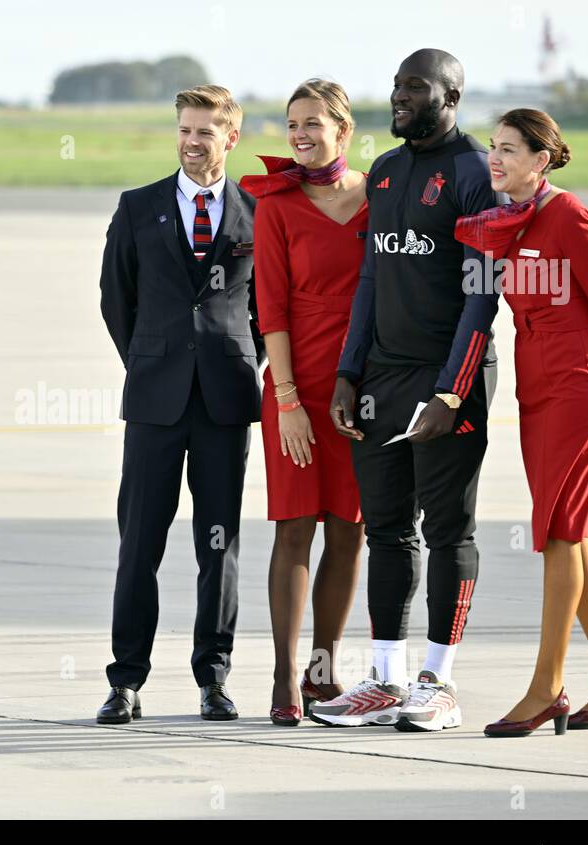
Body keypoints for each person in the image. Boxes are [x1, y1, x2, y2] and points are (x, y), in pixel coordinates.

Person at [312, 48, 506, 732]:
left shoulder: (477, 174)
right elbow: (370, 279)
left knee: (448, 528)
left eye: (413, 87)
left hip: (449, 380)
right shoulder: (388, 173)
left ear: (450, 95)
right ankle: (386, 680)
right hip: (380, 380)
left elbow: (482, 296)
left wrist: (452, 392)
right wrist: (347, 370)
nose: (398, 96)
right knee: (387, 529)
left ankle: (438, 682)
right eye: (395, 85)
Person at [454, 110, 588, 737]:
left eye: (509, 150)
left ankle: (547, 688)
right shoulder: (506, 217)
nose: (495, 159)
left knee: (558, 535)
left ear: (542, 159)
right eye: (492, 147)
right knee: (573, 535)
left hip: (580, 386)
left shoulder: (569, 216)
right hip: (537, 391)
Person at [97, 86, 262, 724]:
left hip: (224, 400)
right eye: (184, 131)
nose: (193, 143)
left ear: (231, 138)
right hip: (154, 399)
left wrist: (243, 362)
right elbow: (118, 300)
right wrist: (150, 358)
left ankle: (213, 680)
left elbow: (267, 308)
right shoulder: (137, 207)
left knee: (218, 547)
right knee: (139, 542)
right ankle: (125, 681)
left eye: (206, 133)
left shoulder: (256, 213)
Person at [239, 79, 366, 726]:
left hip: (361, 389)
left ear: (342, 128)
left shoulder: (379, 196)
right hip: (296, 385)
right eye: (293, 124)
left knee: (349, 528)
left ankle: (323, 668)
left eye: (313, 123)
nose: (300, 135)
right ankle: (285, 674)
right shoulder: (278, 205)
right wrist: (286, 398)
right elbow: (272, 307)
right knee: (295, 527)